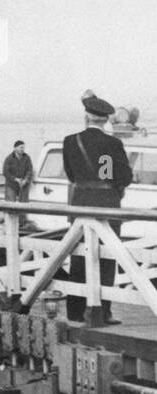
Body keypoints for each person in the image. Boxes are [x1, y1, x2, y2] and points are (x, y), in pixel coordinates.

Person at [63, 92, 132, 325]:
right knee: (106, 259)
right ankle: (103, 312)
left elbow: (71, 175)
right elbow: (123, 176)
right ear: (105, 119)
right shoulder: (112, 143)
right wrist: (113, 187)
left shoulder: (71, 141)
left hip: (80, 204)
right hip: (107, 206)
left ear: (86, 116)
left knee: (78, 258)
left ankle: (74, 311)